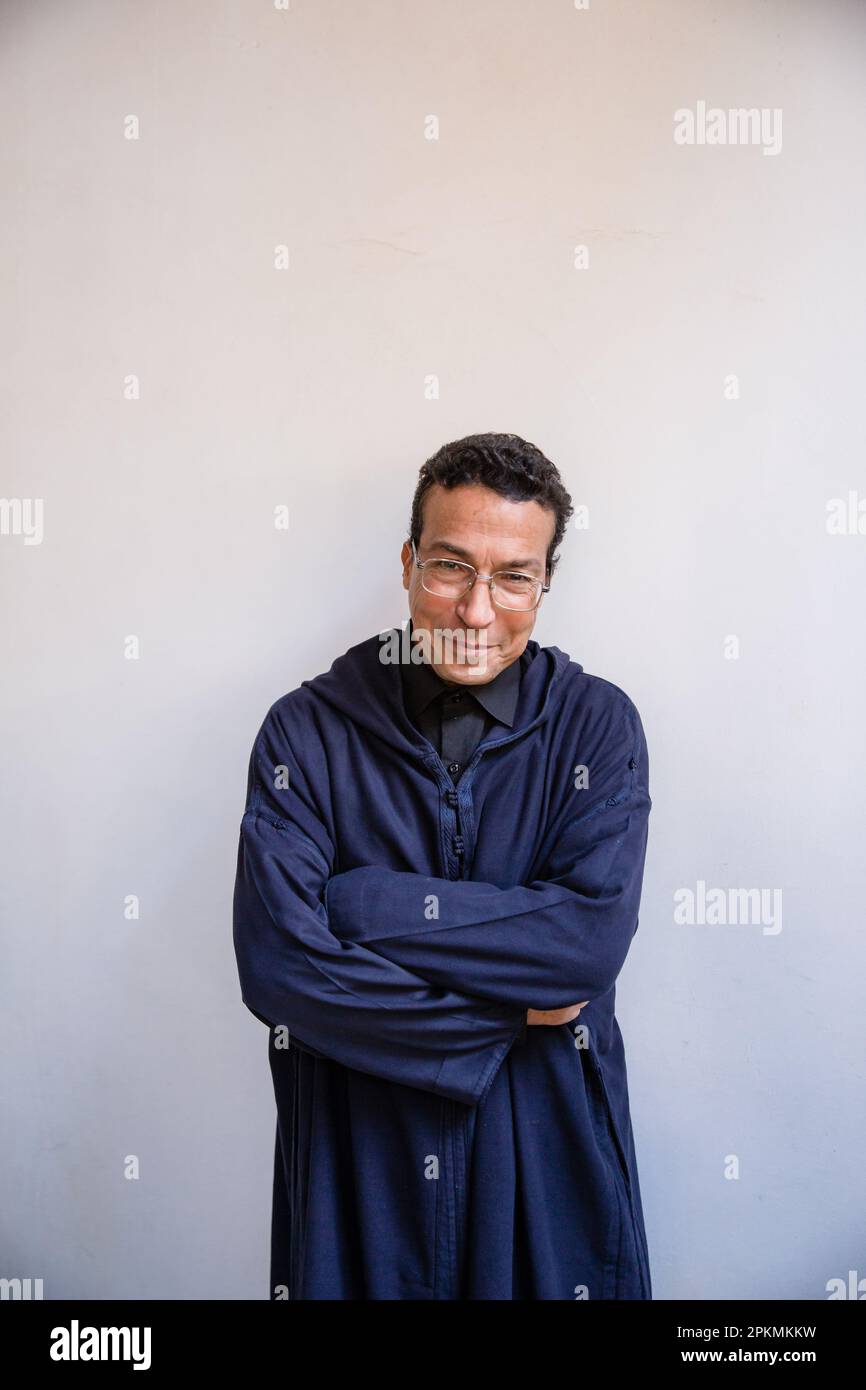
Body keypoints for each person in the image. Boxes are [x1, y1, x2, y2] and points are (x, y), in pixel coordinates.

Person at [232, 432, 653, 1299]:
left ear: (545, 584)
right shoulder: (304, 734)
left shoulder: (598, 728)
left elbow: (582, 947)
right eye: (450, 568)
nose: (475, 613)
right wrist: (508, 1016)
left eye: (514, 577)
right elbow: (280, 968)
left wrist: (358, 904)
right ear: (407, 562)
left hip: (548, 1149)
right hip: (361, 1158)